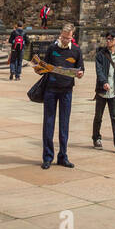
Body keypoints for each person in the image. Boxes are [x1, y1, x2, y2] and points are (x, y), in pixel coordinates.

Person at [41, 24, 84, 168]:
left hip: (66, 90)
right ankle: (47, 157)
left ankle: (63, 156)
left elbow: (81, 69)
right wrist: (40, 68)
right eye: (63, 37)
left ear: (72, 36)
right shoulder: (52, 48)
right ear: (61, 34)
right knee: (48, 123)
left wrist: (79, 74)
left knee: (64, 123)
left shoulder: (76, 51)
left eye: (68, 38)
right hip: (51, 89)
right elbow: (44, 66)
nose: (65, 40)